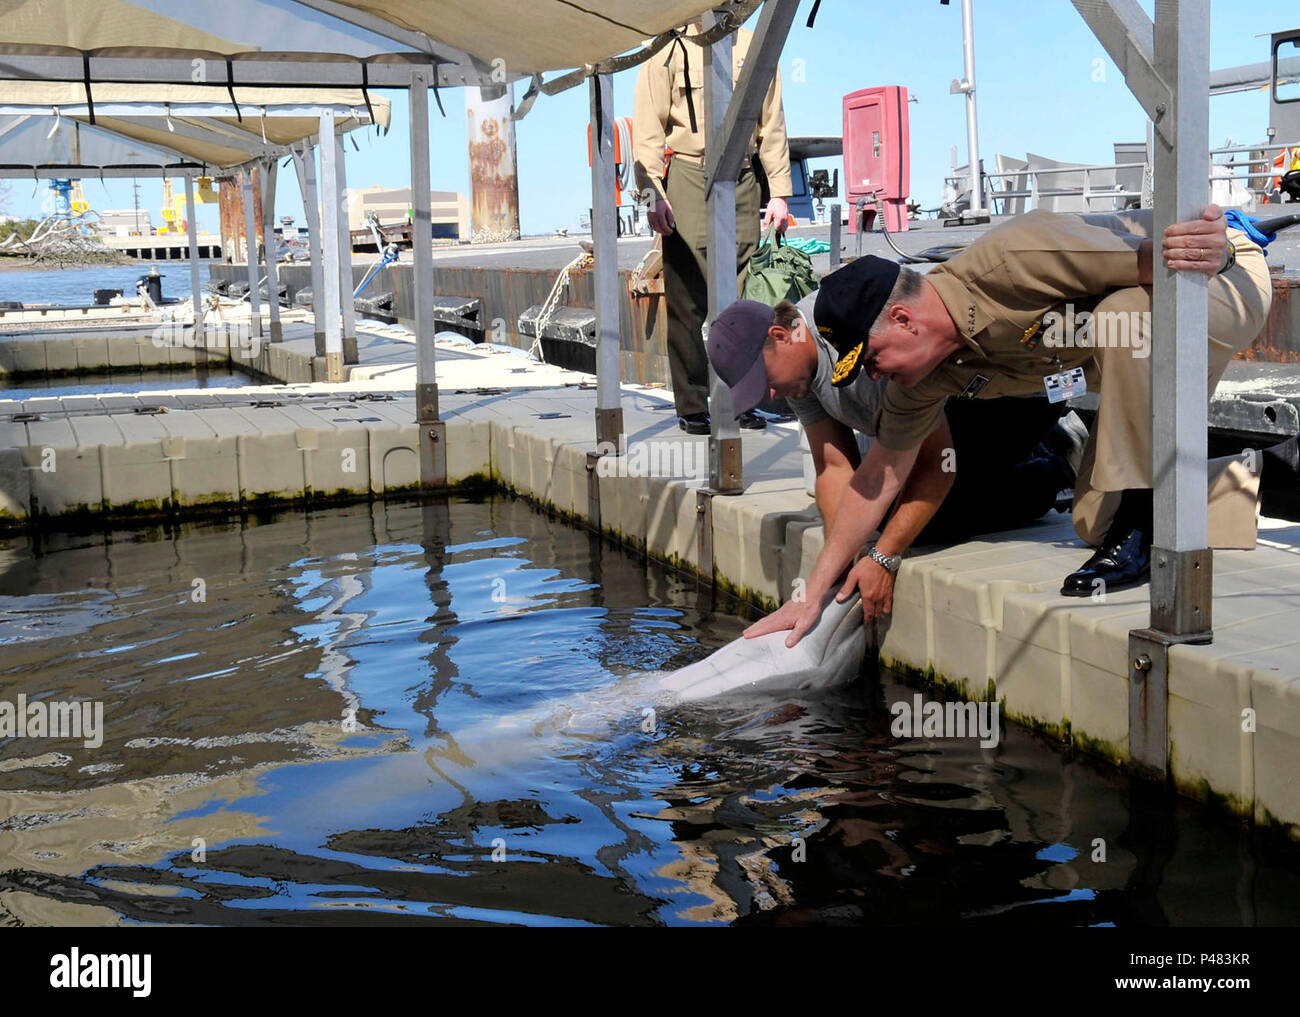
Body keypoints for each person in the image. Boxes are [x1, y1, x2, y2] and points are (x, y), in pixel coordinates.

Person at [709, 204, 1272, 646]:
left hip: (1213, 279)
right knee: (1091, 521)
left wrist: (1210, 245)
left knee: (1122, 316)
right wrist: (815, 593)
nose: (874, 375)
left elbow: (1161, 263)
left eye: (874, 359)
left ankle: (1146, 513)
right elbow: (875, 477)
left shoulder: (1017, 258)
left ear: (903, 320)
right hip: (1114, 351)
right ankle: (1235, 482)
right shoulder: (920, 378)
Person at [707, 294, 1087, 621]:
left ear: (779, 336)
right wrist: (840, 560)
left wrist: (884, 558)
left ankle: (1057, 458)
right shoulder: (794, 367)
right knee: (879, 518)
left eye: (765, 381)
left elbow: (938, 465)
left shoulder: (856, 345)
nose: (770, 396)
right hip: (940, 415)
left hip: (1013, 402)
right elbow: (834, 467)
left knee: (920, 518)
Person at [633, 18, 793, 435]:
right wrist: (652, 194)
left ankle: (741, 399)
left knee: (744, 301)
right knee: (687, 299)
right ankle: (692, 405)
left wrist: (778, 191)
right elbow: (647, 128)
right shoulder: (666, 47)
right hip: (687, 175)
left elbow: (772, 121)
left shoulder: (754, 45)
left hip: (742, 177)